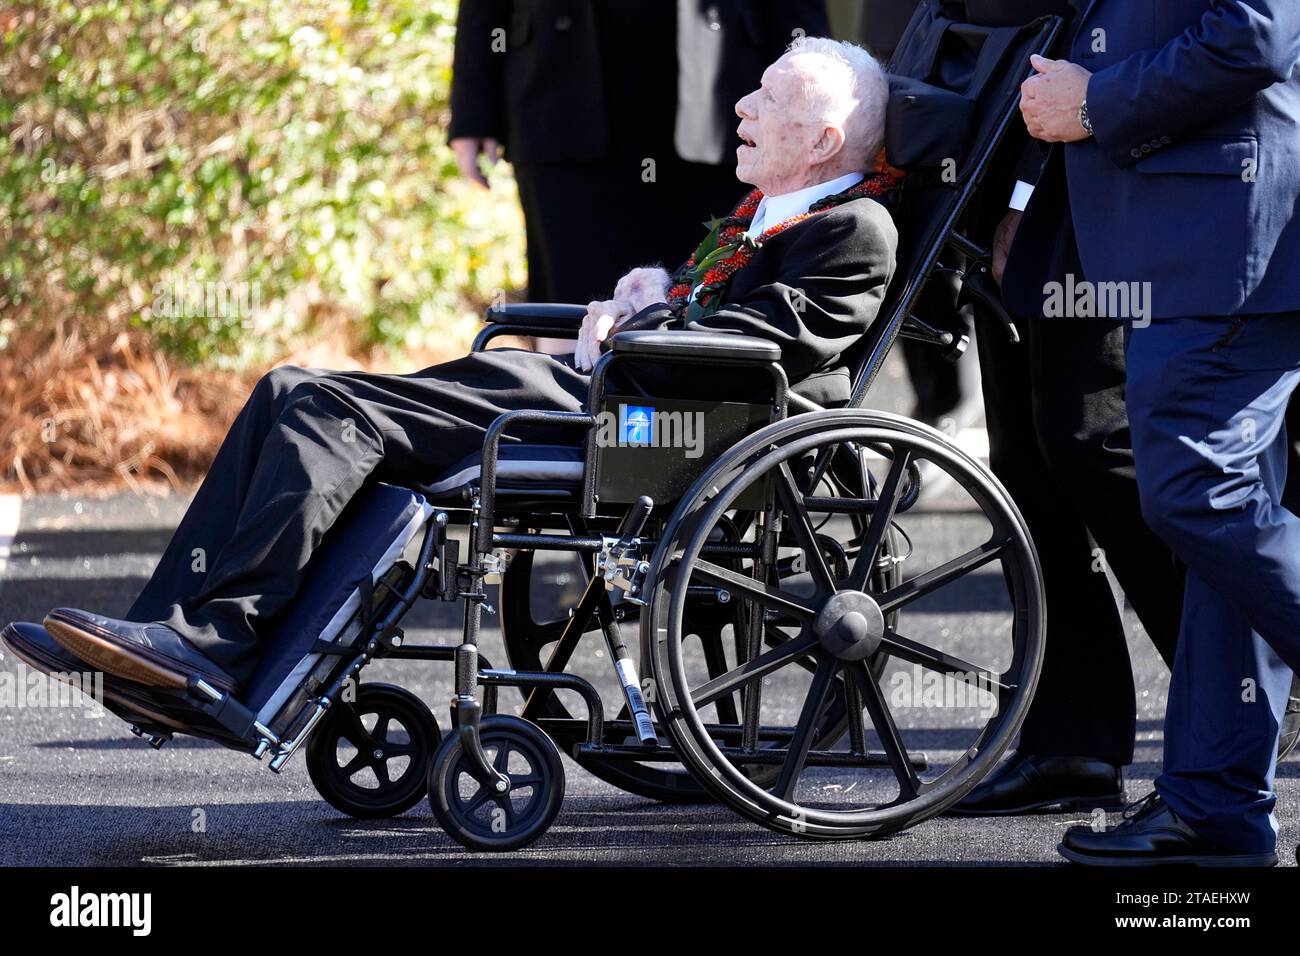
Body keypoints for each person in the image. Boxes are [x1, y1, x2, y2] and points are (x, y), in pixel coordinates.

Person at [26, 39, 899, 701]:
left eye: (768, 98)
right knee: (291, 389)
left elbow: (769, 346)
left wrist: (645, 317)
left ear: (822, 139)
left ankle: (214, 645)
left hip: (655, 427)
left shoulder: (852, 231)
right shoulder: (770, 213)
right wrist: (653, 295)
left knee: (335, 416)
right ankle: (157, 640)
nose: (742, 107)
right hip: (618, 397)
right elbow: (720, 312)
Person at [992, 0, 1300, 867]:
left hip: (1230, 239)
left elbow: (1256, 34)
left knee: (1202, 498)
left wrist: (1097, 102)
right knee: (1220, 526)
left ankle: (1215, 804)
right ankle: (1216, 809)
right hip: (1193, 240)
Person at [448, 0, 828, 304]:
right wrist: (472, 111)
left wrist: (810, 107)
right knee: (570, 297)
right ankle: (564, 397)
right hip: (558, 97)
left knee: (702, 299)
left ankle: (688, 400)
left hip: (716, 97)